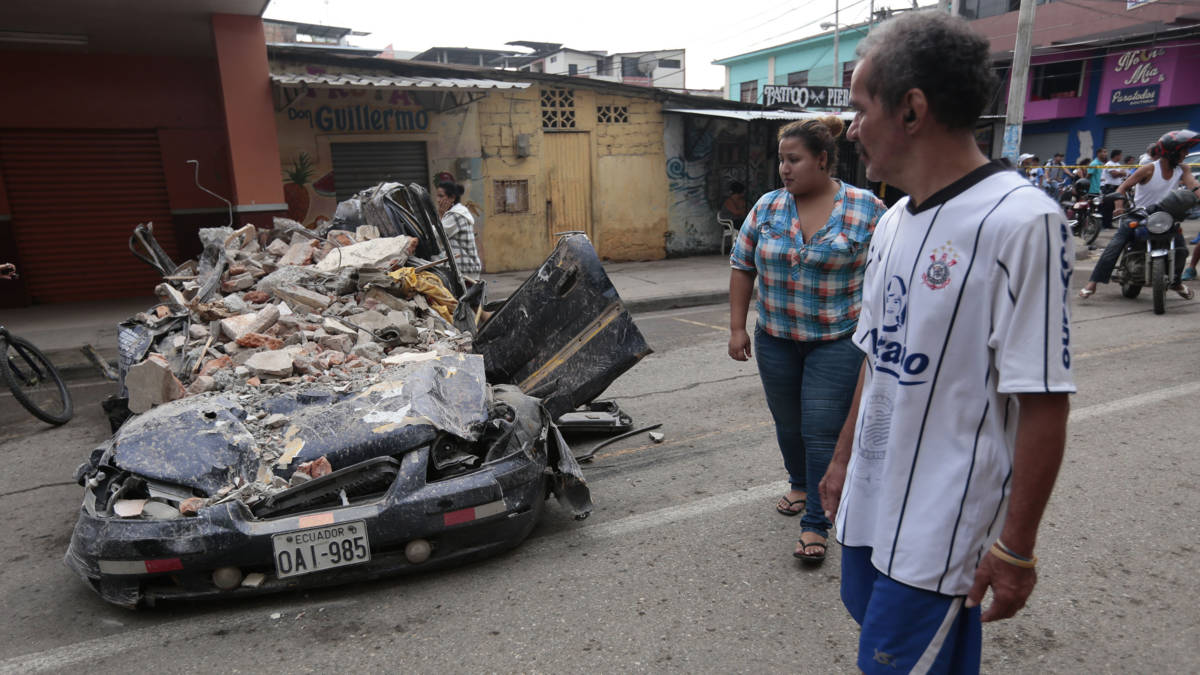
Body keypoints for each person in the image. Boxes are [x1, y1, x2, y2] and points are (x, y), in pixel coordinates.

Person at [818, 12, 1074, 673]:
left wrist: (1017, 547)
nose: (851, 128)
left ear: (912, 110)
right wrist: (844, 463)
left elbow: (1043, 399)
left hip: (940, 533)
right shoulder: (892, 223)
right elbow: (875, 358)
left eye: (859, 108)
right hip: (871, 505)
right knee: (870, 638)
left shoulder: (1022, 221)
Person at [727, 116, 886, 565]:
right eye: (781, 160)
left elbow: (889, 271)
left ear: (822, 160)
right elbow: (742, 265)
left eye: (793, 159)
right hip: (776, 338)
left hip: (836, 340)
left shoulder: (866, 208)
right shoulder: (768, 207)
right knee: (788, 423)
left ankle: (816, 522)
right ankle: (798, 482)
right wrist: (738, 327)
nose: (784, 168)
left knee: (821, 432)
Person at [1079, 129, 1200, 299]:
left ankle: (1176, 282)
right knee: (1116, 243)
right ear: (1172, 152)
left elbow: (1194, 186)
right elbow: (1122, 188)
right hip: (1140, 214)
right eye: (1183, 150)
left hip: (1165, 216)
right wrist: (1118, 207)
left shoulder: (1183, 169)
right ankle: (1093, 282)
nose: (1186, 154)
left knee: (1181, 248)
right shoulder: (1149, 169)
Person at [434, 181, 482, 277]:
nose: (437, 200)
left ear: (452, 198)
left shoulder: (456, 215)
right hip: (461, 268)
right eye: (437, 196)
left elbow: (436, 235)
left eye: (441, 196)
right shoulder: (453, 213)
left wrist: (440, 215)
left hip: (465, 269)